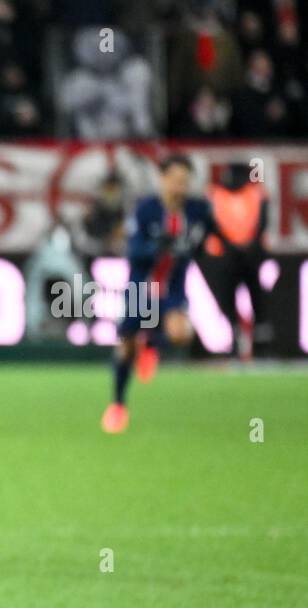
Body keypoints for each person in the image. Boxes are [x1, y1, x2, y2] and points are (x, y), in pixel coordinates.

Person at [102, 154, 214, 434]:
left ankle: (151, 343)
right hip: (141, 287)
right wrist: (158, 247)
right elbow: (133, 250)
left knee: (180, 333)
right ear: (162, 179)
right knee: (126, 346)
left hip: (173, 287)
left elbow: (211, 234)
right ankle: (117, 404)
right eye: (175, 181)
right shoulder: (146, 210)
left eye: (185, 182)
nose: (180, 187)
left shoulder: (197, 210)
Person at [203, 161, 268, 361]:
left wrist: (247, 245)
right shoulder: (216, 194)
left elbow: (262, 223)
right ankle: (234, 341)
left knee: (258, 301)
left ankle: (260, 345)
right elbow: (212, 225)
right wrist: (233, 246)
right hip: (228, 257)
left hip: (248, 256)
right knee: (227, 301)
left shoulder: (255, 193)